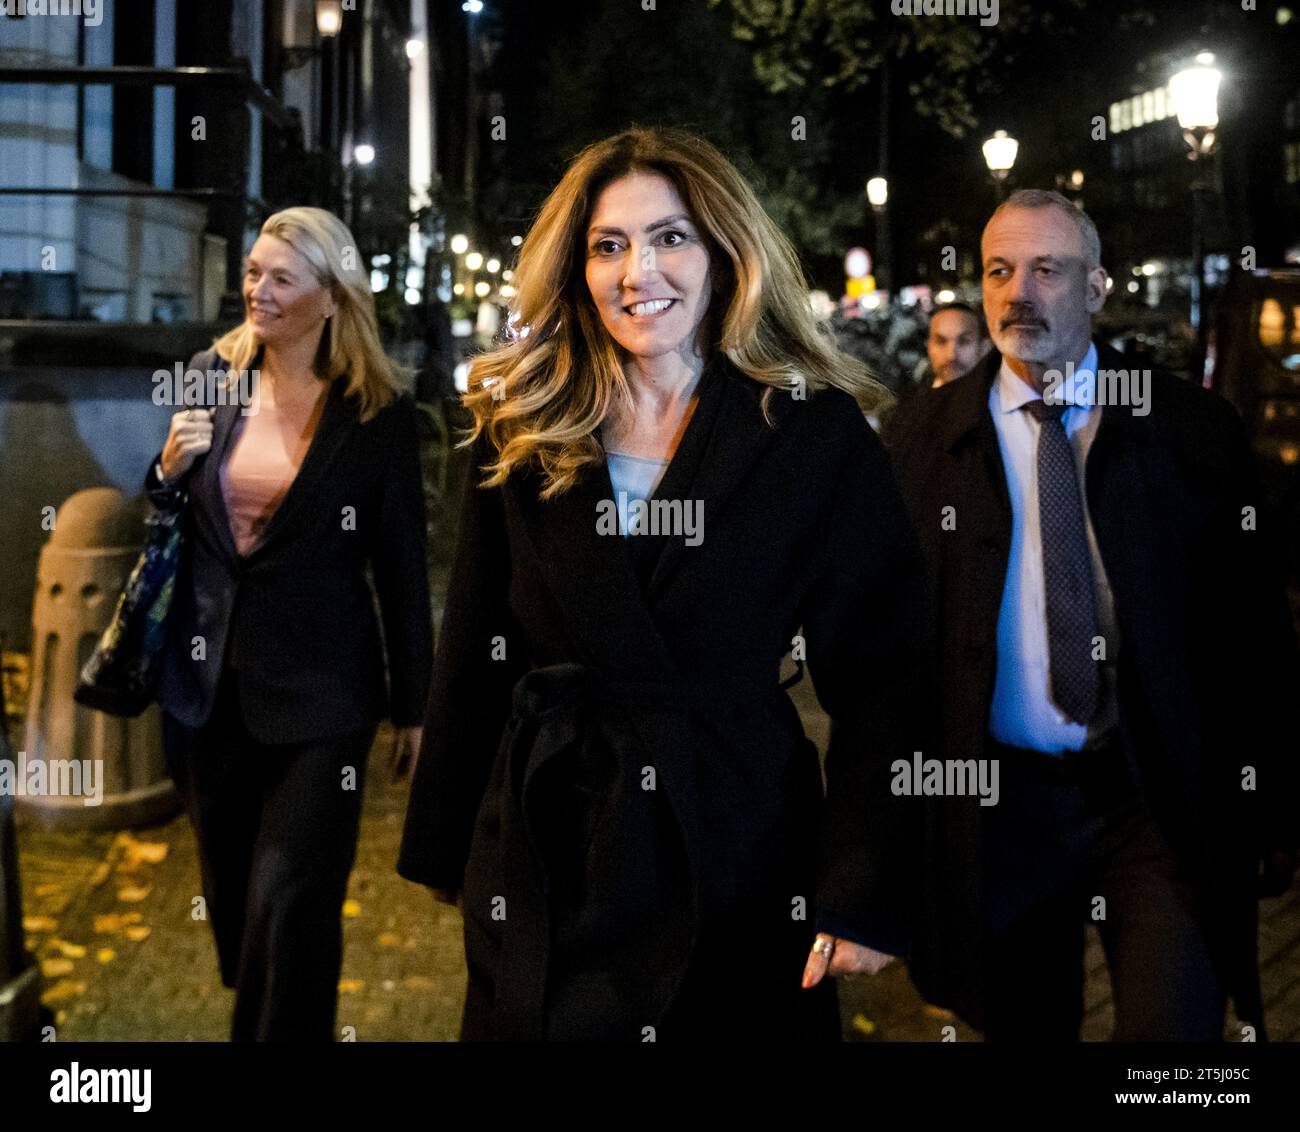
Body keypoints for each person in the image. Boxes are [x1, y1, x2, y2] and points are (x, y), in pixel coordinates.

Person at [397, 126, 928, 1042]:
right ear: (577, 267)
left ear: (726, 252)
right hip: (551, 840)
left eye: (671, 237)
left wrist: (863, 887)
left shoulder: (810, 433)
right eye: (609, 245)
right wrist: (450, 839)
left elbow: (886, 676)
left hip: (738, 845)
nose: (639, 270)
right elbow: (477, 644)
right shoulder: (521, 424)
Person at [883, 189, 1299, 1041]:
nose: (1016, 294)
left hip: (1151, 803)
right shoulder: (919, 441)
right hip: (1000, 811)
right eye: (999, 271)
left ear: (1098, 286)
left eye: (1047, 270)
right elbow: (885, 653)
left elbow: (1254, 633)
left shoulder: (1189, 430)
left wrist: (1271, 803)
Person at [144, 207, 433, 1041]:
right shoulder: (210, 374)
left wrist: (415, 704)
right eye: (253, 272)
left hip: (324, 702)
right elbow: (164, 514)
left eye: (280, 277)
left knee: (292, 896)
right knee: (238, 901)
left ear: (332, 296)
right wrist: (165, 471)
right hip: (207, 692)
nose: (257, 291)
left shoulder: (377, 415)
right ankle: (265, 1006)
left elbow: (403, 570)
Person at [926, 301, 989, 387]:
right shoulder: (915, 397)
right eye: (941, 342)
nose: (951, 355)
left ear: (984, 348)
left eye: (964, 341)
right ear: (929, 346)